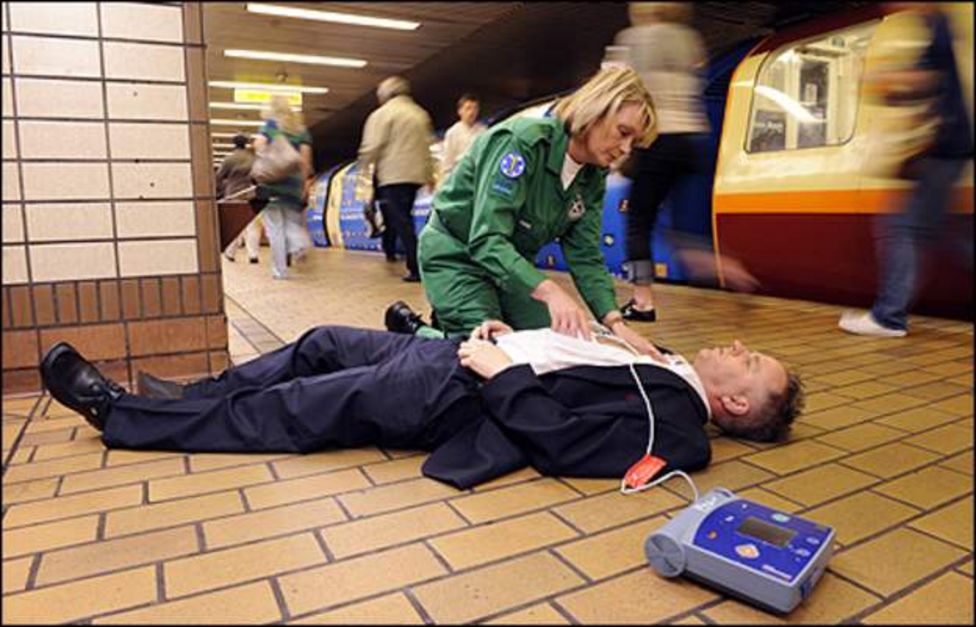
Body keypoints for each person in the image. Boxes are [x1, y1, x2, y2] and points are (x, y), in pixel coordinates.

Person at [39, 317, 803, 490]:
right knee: (319, 341)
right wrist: (513, 337)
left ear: (735, 403)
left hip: (459, 392)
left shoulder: (681, 429)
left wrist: (504, 372)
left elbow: (569, 442)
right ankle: (189, 395)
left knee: (300, 405)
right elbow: (573, 362)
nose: (739, 346)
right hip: (458, 352)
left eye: (751, 362)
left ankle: (122, 414)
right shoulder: (659, 360)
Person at [417, 66, 662, 356]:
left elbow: (585, 254)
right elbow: (486, 240)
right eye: (623, 133)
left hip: (511, 267)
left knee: (553, 344)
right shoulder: (522, 143)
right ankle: (417, 331)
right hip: (458, 255)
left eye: (635, 142)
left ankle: (451, 325)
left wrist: (616, 325)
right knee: (491, 349)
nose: (626, 149)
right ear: (596, 110)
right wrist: (551, 291)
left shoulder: (593, 176)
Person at [615, 2, 755, 322]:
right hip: (691, 140)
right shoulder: (688, 38)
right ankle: (727, 268)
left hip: (655, 138)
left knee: (639, 222)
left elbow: (627, 90)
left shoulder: (634, 38)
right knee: (679, 227)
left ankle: (642, 301)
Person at [839, 3, 973, 337]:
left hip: (945, 148)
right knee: (940, 233)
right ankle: (889, 315)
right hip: (948, 148)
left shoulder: (940, 25)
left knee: (901, 227)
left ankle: (889, 317)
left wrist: (882, 79)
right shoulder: (938, 24)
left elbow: (930, 80)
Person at [357, 76, 435, 282]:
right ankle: (410, 261)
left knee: (402, 222)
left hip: (392, 176)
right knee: (404, 219)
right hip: (414, 177)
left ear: (385, 94)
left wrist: (363, 166)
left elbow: (372, 146)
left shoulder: (382, 114)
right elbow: (427, 147)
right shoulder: (420, 114)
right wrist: (429, 175)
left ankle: (417, 267)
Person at [255, 95, 314, 279]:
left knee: (275, 229)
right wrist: (303, 184)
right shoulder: (300, 130)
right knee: (291, 223)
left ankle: (280, 271)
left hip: (271, 183)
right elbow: (305, 161)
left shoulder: (270, 127)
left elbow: (259, 146)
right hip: (293, 184)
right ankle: (299, 242)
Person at [217, 134, 263, 264]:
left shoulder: (229, 159)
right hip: (251, 194)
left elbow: (219, 177)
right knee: (252, 225)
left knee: (234, 225)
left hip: (233, 195)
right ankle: (253, 255)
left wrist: (220, 191)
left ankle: (230, 253)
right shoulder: (254, 159)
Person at [439, 93, 488, 183]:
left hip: (478, 176)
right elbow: (447, 163)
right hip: (460, 176)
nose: (472, 112)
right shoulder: (452, 133)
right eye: (468, 108)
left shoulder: (483, 131)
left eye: (475, 108)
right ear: (460, 111)